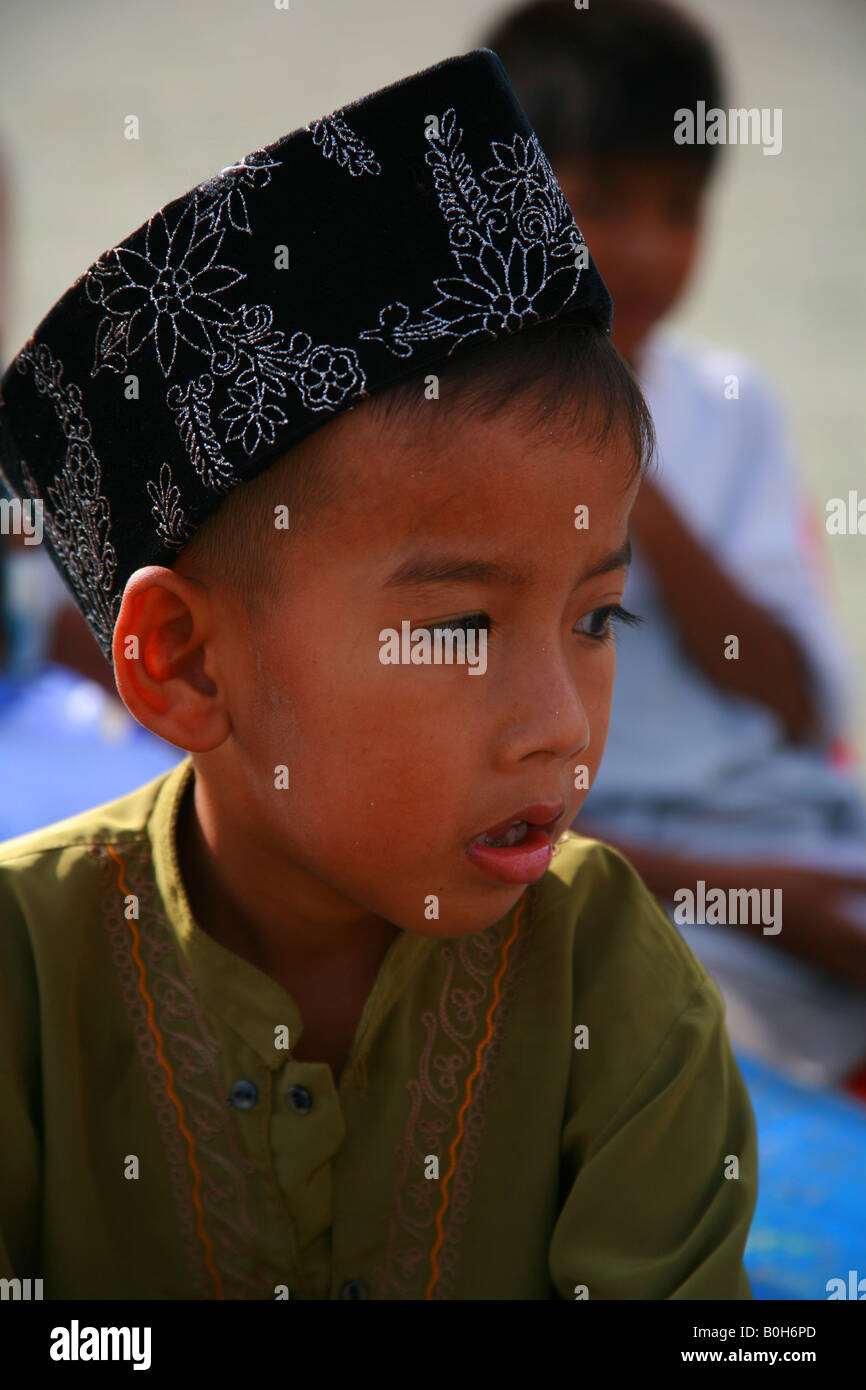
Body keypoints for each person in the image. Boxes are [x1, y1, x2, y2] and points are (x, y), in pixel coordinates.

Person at [0, 49, 756, 1299]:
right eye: (458, 628)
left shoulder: (612, 977)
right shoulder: (26, 974)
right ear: (184, 664)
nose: (558, 729)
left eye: (596, 620)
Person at [483, 0, 866, 1090]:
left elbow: (791, 704)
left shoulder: (730, 405)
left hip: (789, 833)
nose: (646, 249)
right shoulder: (441, 433)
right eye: (598, 202)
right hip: (614, 880)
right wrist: (760, 901)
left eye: (681, 207)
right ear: (493, 199)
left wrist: (636, 482)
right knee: (686, 1061)